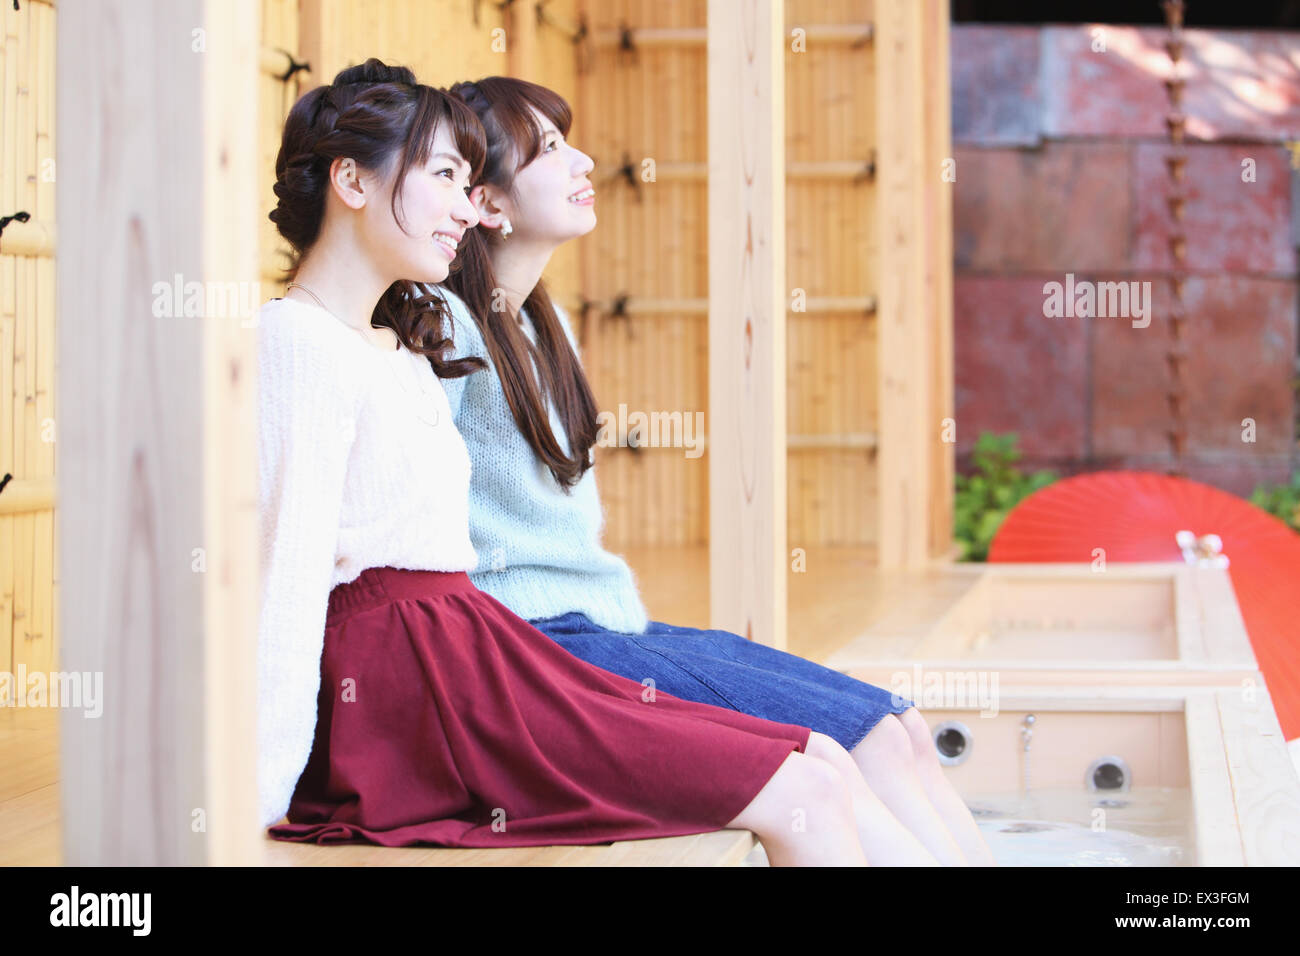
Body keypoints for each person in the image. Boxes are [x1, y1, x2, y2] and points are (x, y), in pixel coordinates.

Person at [256, 58, 936, 866]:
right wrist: (257, 788)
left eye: (465, 180)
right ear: (352, 182)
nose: (461, 206)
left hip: (474, 651)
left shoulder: (394, 352)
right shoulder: (293, 341)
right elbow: (282, 579)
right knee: (807, 786)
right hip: (414, 681)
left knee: (819, 765)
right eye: (443, 175)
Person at [429, 75, 997, 866]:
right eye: (550, 148)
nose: (583, 159)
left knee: (897, 726)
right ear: (487, 205)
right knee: (857, 746)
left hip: (609, 625)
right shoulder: (445, 331)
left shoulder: (540, 321)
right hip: (541, 649)